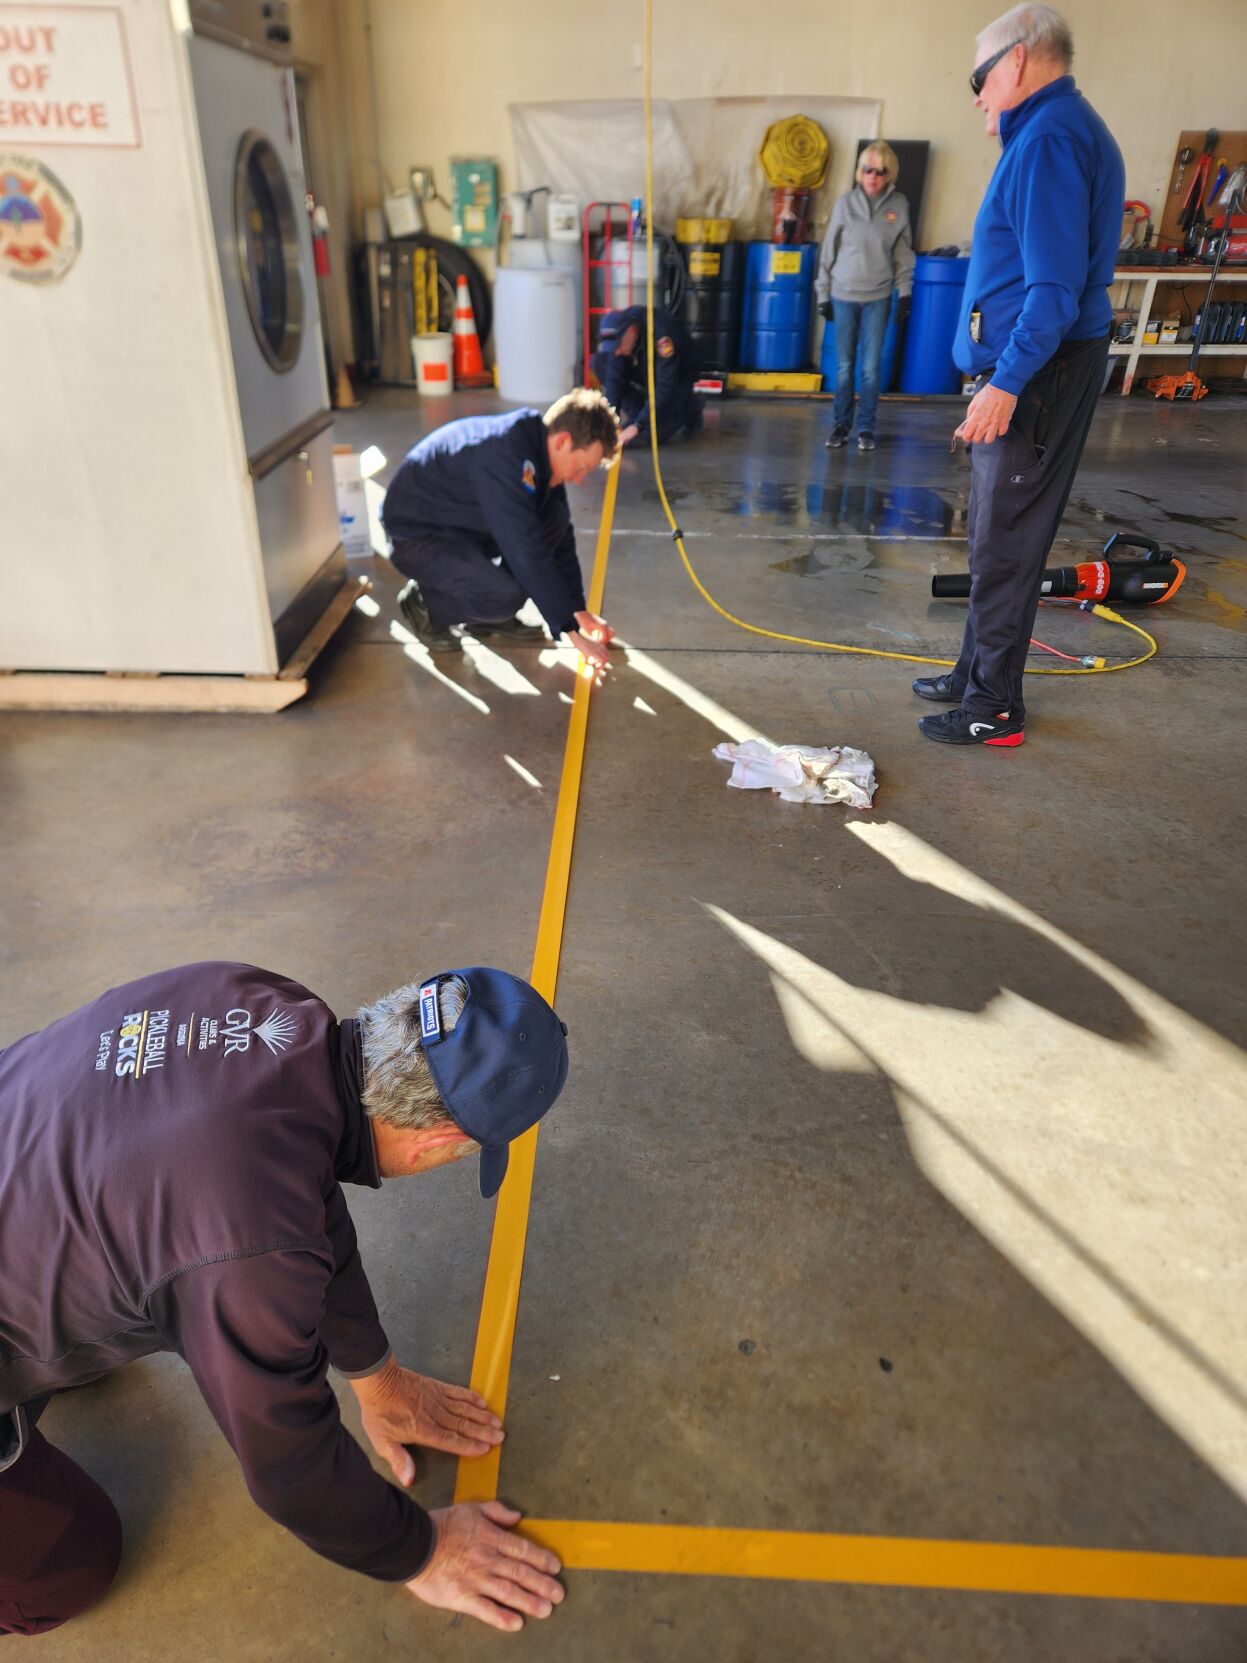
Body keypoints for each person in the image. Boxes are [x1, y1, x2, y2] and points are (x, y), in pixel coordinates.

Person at [0, 961, 570, 1636]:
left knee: (130, 1266)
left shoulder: (262, 1002)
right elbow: (288, 1464)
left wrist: (375, 1373)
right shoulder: (252, 1238)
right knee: (68, 1567)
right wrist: (424, 1550)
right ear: (442, 1143)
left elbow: (306, 1201)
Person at [914, 3, 1124, 748]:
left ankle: (992, 706)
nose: (975, 95)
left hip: (1037, 374)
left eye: (979, 76)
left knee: (1004, 544)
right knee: (992, 538)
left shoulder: (1050, 139)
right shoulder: (1047, 131)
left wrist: (1003, 383)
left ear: (1017, 60)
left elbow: (1053, 291)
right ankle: (974, 671)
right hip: (1033, 369)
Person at [381, 388, 617, 672]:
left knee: (553, 518)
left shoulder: (537, 452)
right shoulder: (506, 458)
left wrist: (578, 611)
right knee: (505, 596)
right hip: (416, 536)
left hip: (457, 524)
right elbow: (526, 550)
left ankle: (486, 615)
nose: (579, 479)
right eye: (582, 467)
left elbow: (560, 537)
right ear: (563, 441)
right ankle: (425, 605)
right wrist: (571, 632)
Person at [816, 141, 915, 452]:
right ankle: (840, 425)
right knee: (844, 366)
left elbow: (902, 250)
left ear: (890, 174)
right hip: (843, 294)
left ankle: (866, 428)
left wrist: (905, 292)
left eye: (880, 171)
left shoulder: (898, 205)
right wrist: (823, 293)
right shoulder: (845, 204)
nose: (873, 176)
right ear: (860, 172)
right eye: (868, 169)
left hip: (879, 296)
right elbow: (828, 250)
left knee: (871, 368)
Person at [592, 306, 703, 447]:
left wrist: (637, 425)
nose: (617, 351)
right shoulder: (620, 334)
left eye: (618, 346)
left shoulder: (664, 336)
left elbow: (665, 386)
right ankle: (639, 412)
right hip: (646, 366)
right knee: (600, 362)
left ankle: (690, 406)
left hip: (676, 375)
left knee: (652, 435)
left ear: (631, 331)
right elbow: (614, 380)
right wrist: (610, 422)